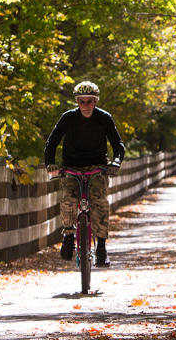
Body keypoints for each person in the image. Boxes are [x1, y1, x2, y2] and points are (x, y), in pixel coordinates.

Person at [45, 81, 125, 267]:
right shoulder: (68, 118)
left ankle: (102, 248)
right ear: (77, 102)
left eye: (90, 101)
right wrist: (50, 164)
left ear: (95, 101)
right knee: (68, 200)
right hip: (71, 167)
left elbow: (118, 145)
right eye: (82, 102)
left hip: (97, 167)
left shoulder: (104, 118)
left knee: (100, 203)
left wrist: (115, 162)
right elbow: (51, 143)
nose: (86, 106)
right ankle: (68, 235)